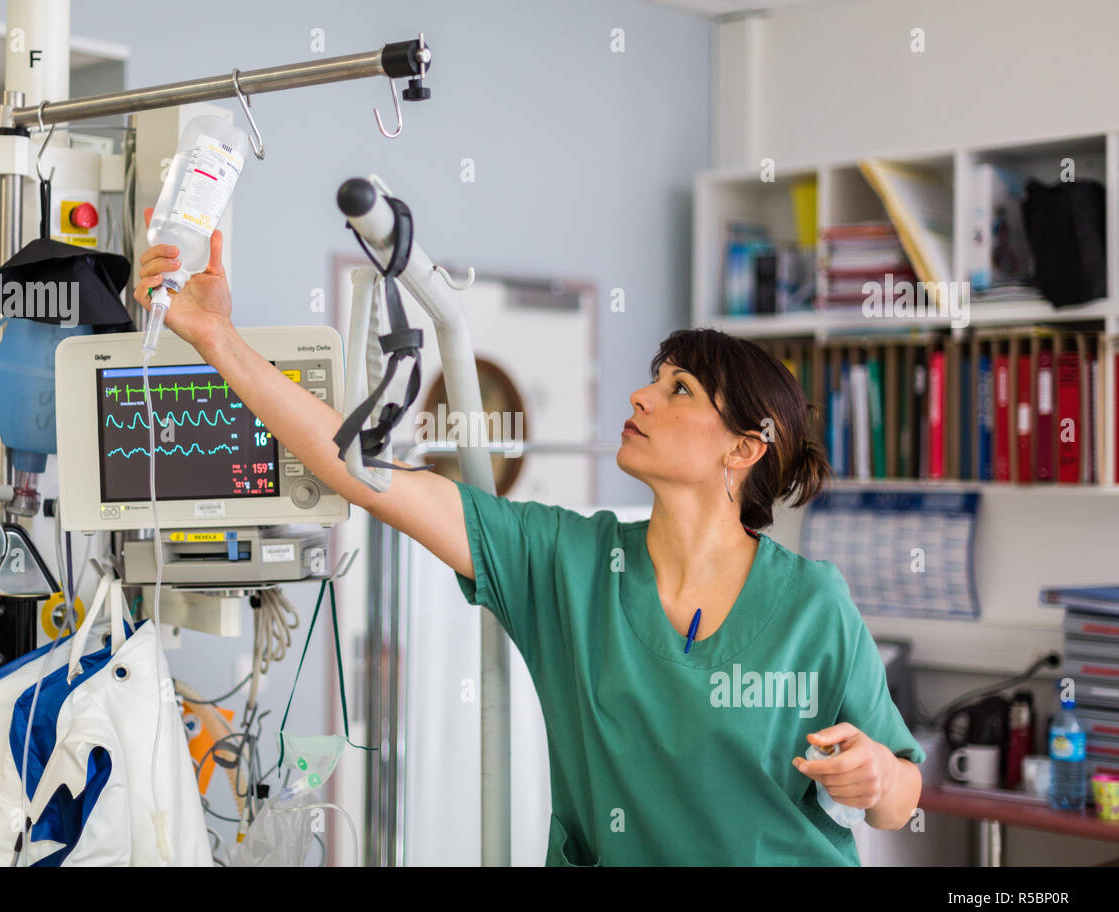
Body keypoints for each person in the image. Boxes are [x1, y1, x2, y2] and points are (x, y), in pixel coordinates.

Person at [133, 207, 925, 866]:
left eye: (677, 388)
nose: (641, 395)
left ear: (743, 448)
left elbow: (902, 800)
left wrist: (876, 776)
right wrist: (215, 341)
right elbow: (361, 474)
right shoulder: (566, 564)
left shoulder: (812, 606)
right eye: (653, 375)